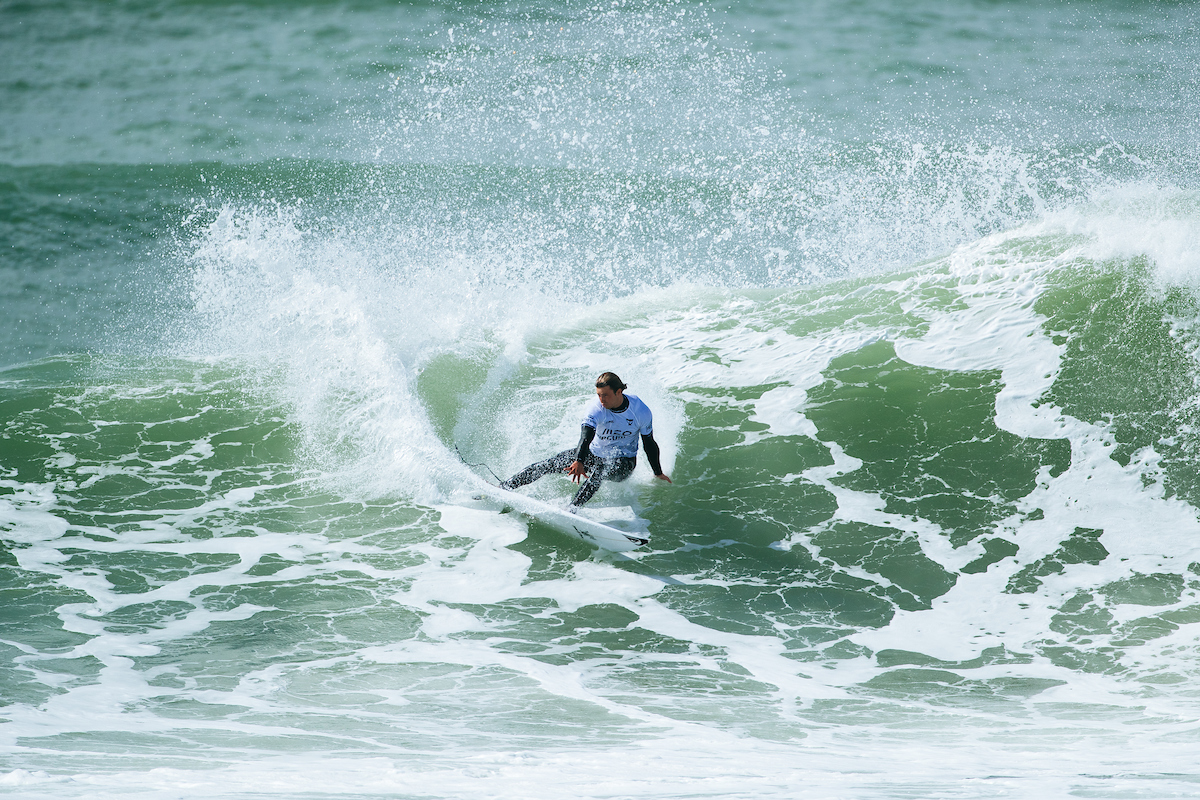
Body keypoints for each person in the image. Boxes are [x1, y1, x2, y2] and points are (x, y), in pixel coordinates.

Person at [500, 372, 672, 509]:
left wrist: (657, 472)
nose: (601, 400)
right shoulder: (596, 408)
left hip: (624, 462)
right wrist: (579, 460)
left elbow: (649, 443)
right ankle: (505, 487)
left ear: (619, 392)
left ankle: (572, 510)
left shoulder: (639, 410)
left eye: (605, 395)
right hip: (594, 454)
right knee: (549, 464)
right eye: (598, 395)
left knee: (601, 470)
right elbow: (586, 436)